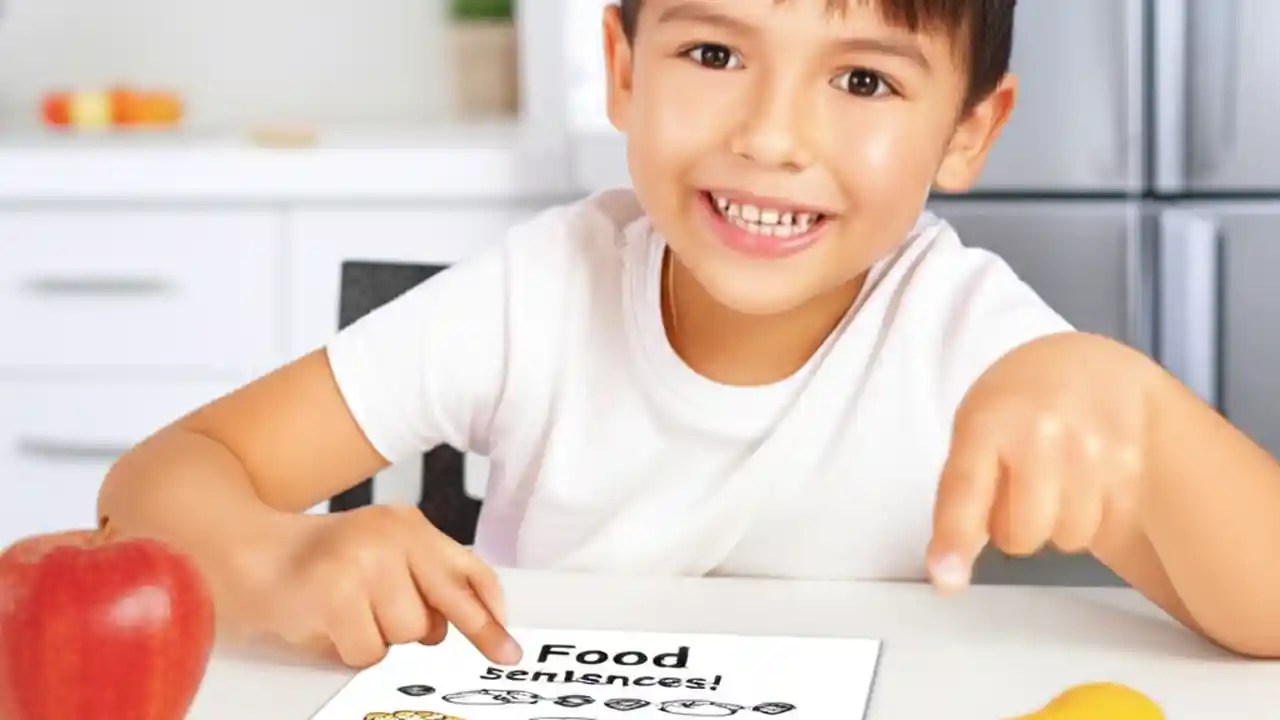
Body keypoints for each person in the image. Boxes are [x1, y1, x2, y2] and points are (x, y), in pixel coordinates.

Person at [97, 0, 1280, 670]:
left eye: (861, 82)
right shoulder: (536, 292)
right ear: (621, 68)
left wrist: (1133, 407)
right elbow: (156, 480)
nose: (770, 137)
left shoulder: (966, 333)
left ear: (969, 133)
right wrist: (275, 558)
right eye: (713, 55)